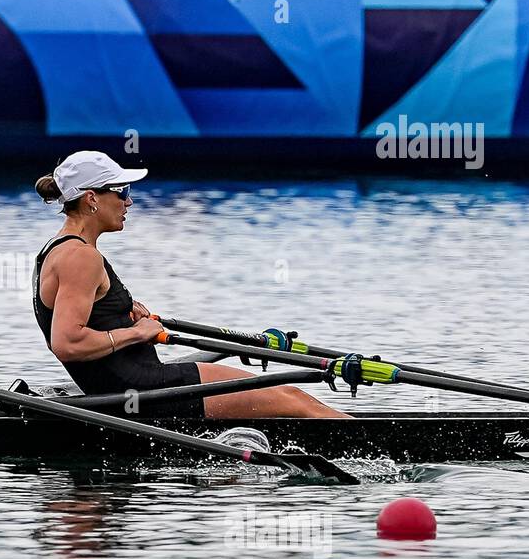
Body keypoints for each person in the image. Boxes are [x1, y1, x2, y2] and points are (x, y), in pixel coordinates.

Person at [32, 151, 347, 418]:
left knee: (289, 399)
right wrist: (134, 333)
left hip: (132, 387)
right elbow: (68, 343)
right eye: (122, 190)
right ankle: (385, 449)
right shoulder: (80, 258)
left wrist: (126, 319)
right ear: (91, 199)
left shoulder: (56, 250)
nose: (129, 202)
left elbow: (86, 325)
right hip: (146, 390)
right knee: (294, 400)